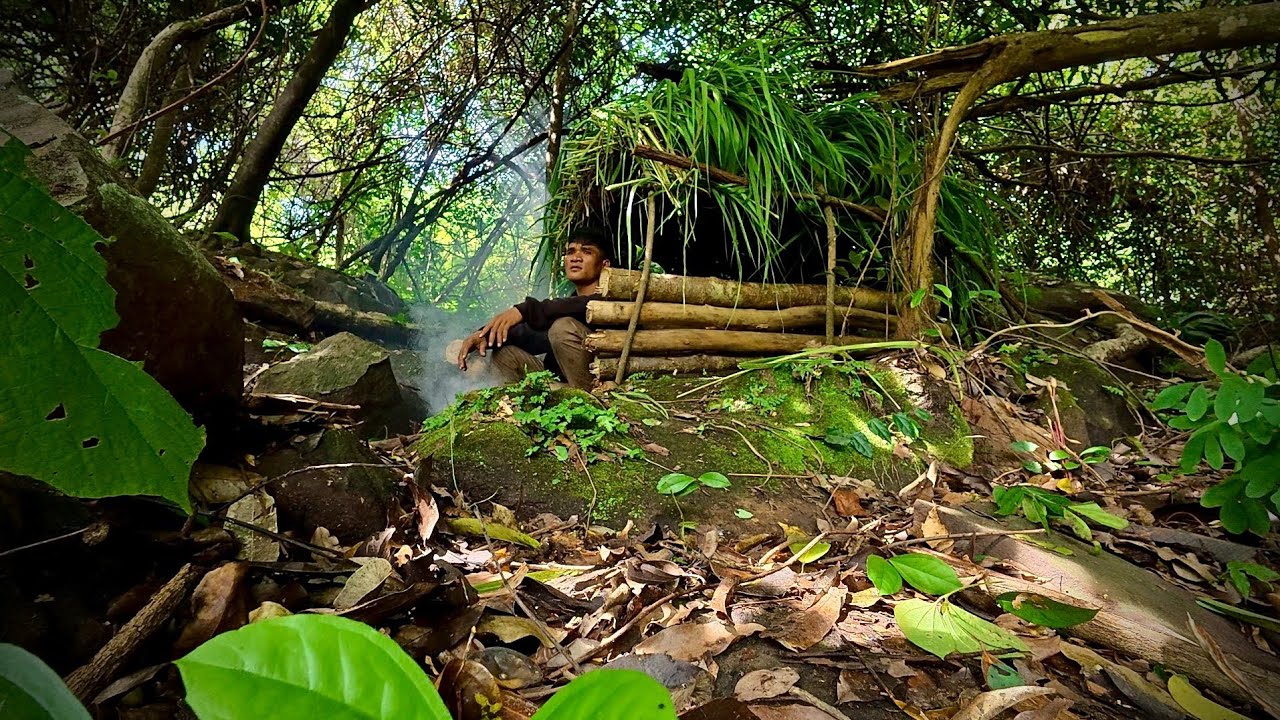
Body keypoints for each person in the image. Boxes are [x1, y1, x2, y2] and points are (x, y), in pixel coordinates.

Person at [455, 228, 612, 388]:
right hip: (562, 386)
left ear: (604, 265)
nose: (575, 258)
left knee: (562, 327)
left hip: (596, 384)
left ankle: (589, 402)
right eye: (571, 252)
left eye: (586, 252)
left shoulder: (614, 301)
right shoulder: (567, 306)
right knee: (506, 354)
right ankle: (514, 408)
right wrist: (484, 336)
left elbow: (581, 306)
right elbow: (529, 336)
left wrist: (524, 310)